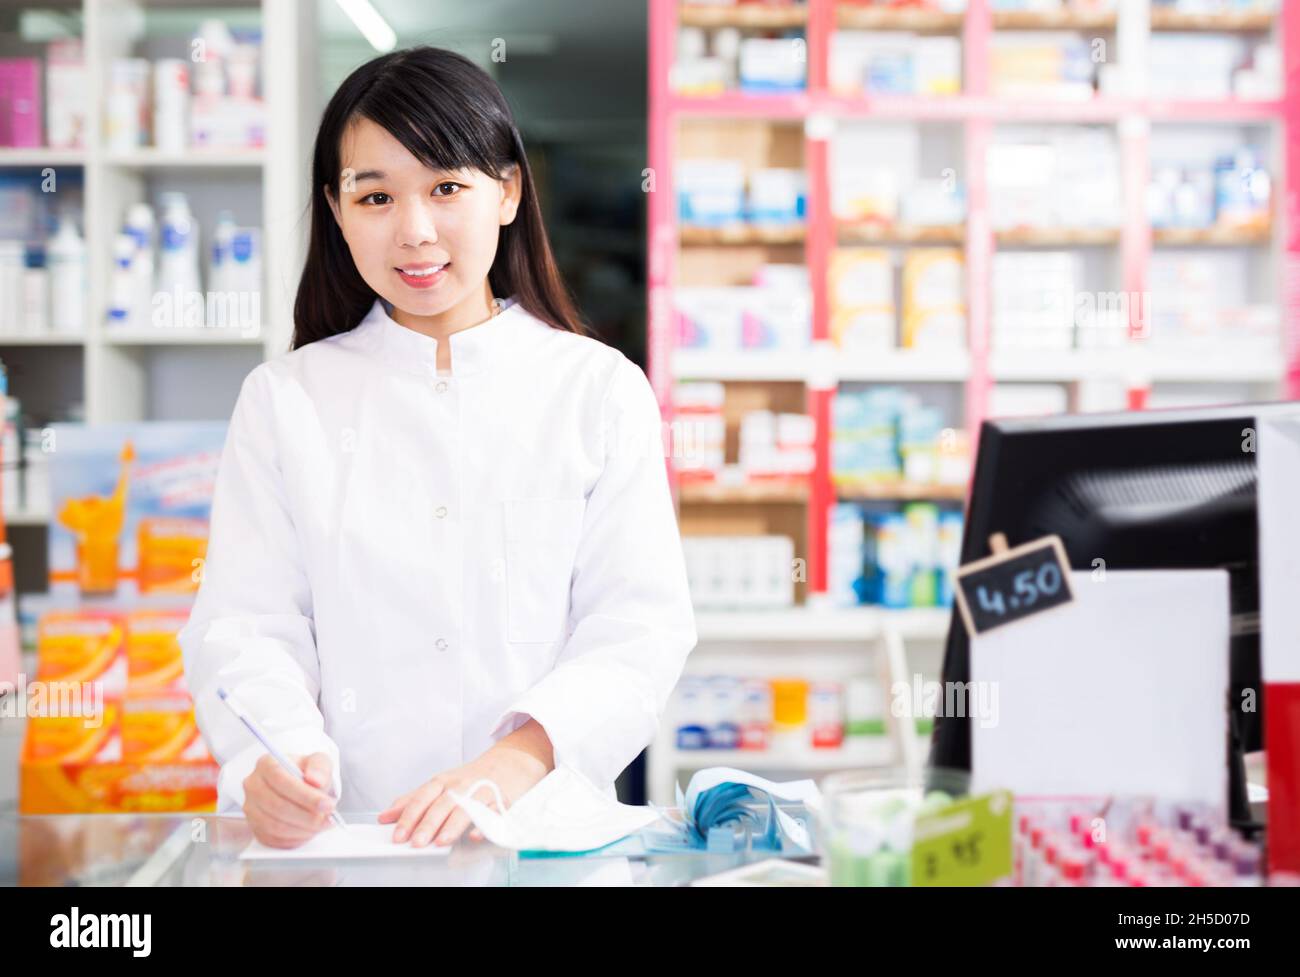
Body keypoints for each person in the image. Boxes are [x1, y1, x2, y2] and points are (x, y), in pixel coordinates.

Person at [178, 46, 697, 850]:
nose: (414, 231)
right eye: (376, 194)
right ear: (338, 208)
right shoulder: (286, 400)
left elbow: (638, 629)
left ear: (508, 191)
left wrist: (509, 765)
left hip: (544, 839)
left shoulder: (598, 389)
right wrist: (275, 759)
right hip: (350, 841)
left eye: (446, 186)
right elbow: (247, 624)